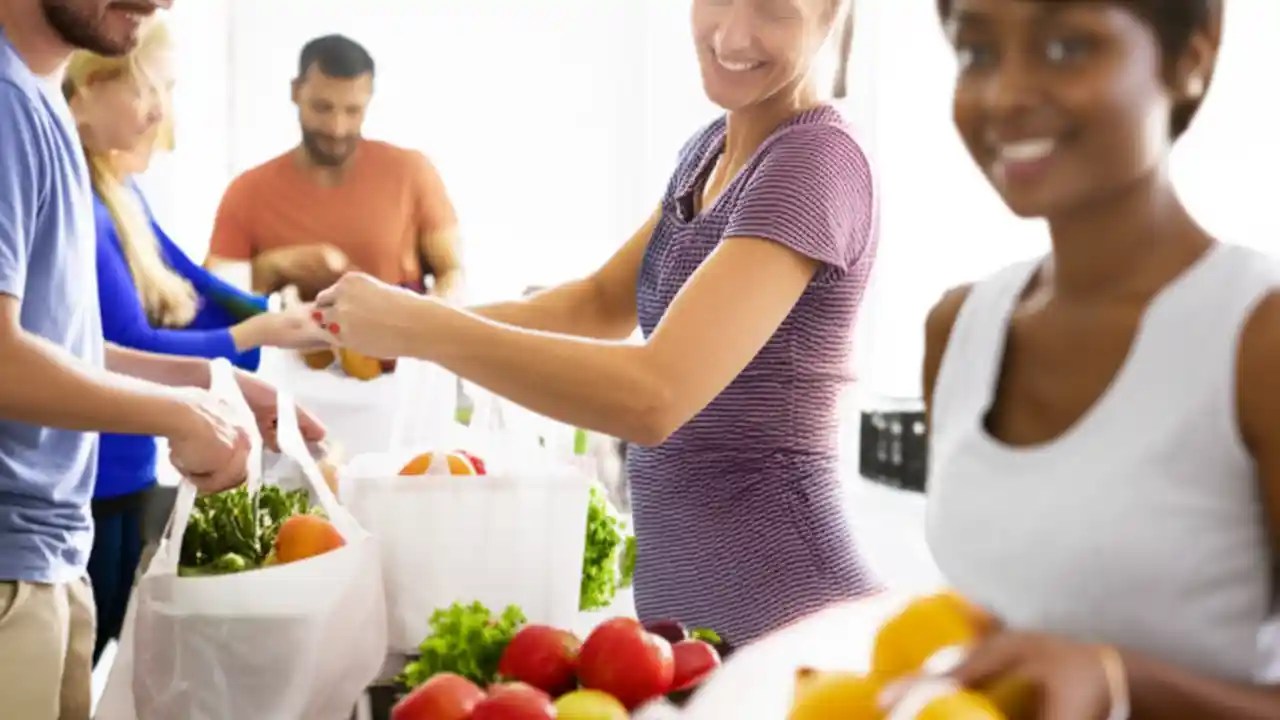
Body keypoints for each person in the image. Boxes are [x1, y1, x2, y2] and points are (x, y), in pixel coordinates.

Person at [315, 0, 879, 646]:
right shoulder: (711, 151)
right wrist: (374, 326)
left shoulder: (813, 162)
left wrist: (420, 329)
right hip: (698, 628)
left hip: (791, 618)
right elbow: (594, 307)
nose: (731, 34)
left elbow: (655, 396)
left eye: (774, 10)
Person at [922, 1, 1280, 716]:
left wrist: (1123, 681)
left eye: (1065, 48)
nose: (1007, 94)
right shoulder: (957, 329)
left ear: (1191, 58)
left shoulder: (1257, 339)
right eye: (976, 53)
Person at [0, 1, 324, 716]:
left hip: (46, 560)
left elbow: (60, 345)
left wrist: (209, 379)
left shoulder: (37, 96)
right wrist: (178, 413)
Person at [204, 33, 464, 302]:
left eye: (353, 111)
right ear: (295, 92)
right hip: (288, 341)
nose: (337, 128)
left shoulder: (413, 172)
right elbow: (213, 300)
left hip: (397, 339)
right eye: (322, 108)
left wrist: (433, 317)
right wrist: (273, 267)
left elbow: (453, 273)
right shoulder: (247, 191)